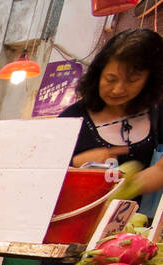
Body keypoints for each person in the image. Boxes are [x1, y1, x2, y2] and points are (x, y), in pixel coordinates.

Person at [61, 28, 163, 204]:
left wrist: (134, 184)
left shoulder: (157, 113)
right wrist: (75, 163)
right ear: (98, 74)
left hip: (136, 224)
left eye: (132, 81)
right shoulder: (71, 119)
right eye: (111, 79)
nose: (118, 89)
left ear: (149, 80)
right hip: (81, 218)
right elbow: (43, 175)